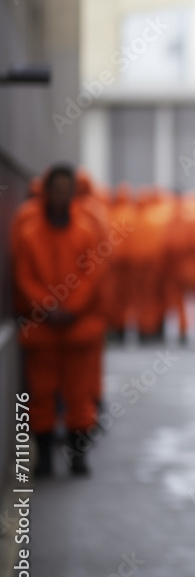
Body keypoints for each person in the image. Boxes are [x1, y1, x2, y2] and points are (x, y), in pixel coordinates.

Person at [12, 164, 108, 476]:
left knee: (79, 397)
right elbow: (24, 276)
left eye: (67, 188)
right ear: (47, 191)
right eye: (57, 188)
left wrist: (72, 308)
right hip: (43, 330)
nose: (61, 194)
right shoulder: (29, 233)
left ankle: (78, 457)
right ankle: (44, 459)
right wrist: (47, 307)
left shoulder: (85, 231)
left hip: (77, 329)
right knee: (40, 397)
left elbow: (92, 274)